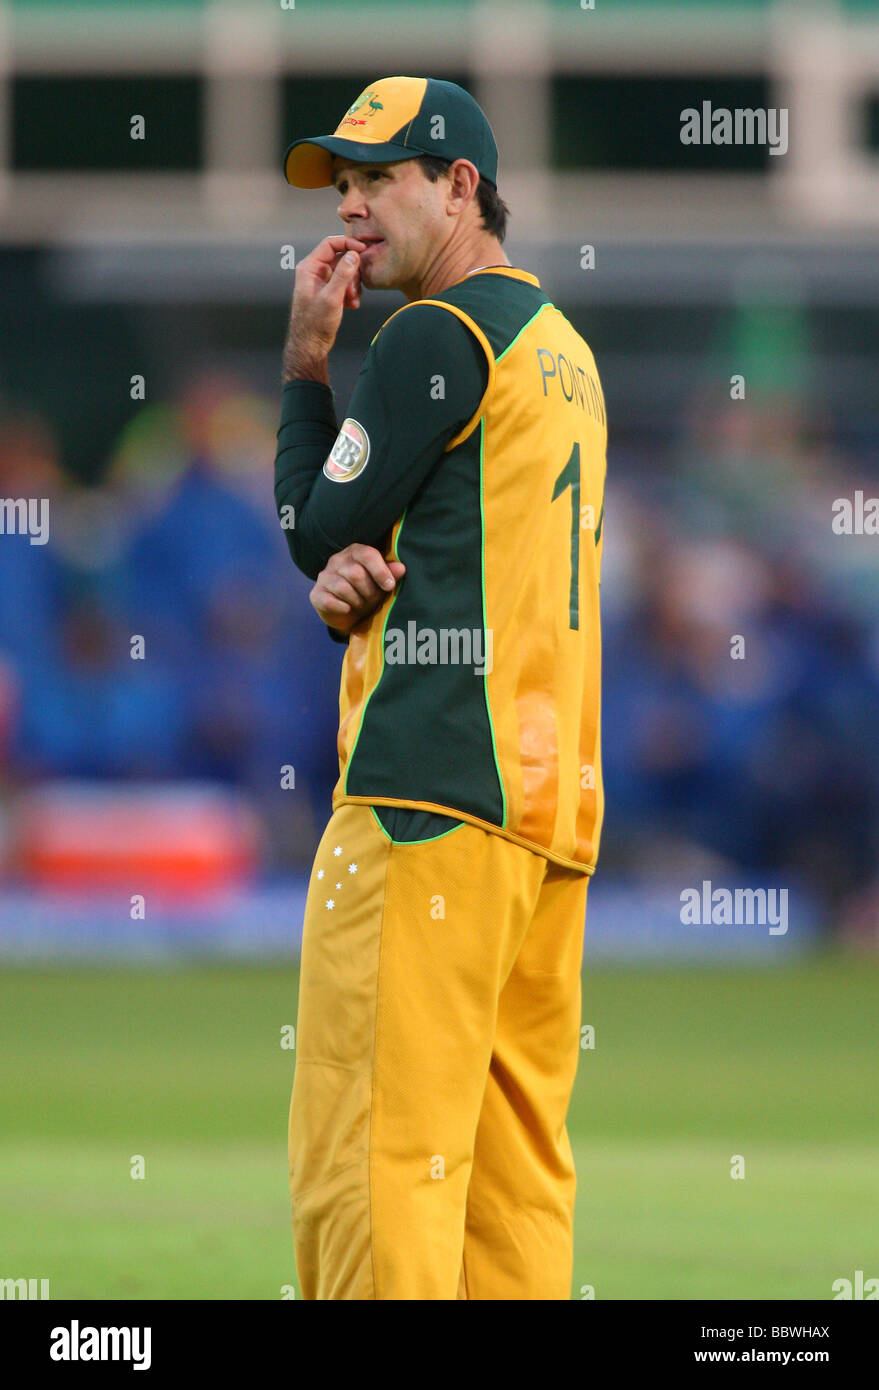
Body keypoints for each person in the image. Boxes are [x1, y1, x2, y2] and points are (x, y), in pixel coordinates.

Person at [275, 75, 607, 1300]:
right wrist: (365, 585)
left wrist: (306, 362)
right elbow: (454, 556)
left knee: (375, 1168)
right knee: (510, 1191)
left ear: (460, 187)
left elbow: (318, 526)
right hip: (547, 819)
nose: (353, 212)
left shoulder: (436, 332)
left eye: (380, 181)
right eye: (343, 187)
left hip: (426, 799)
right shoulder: (565, 354)